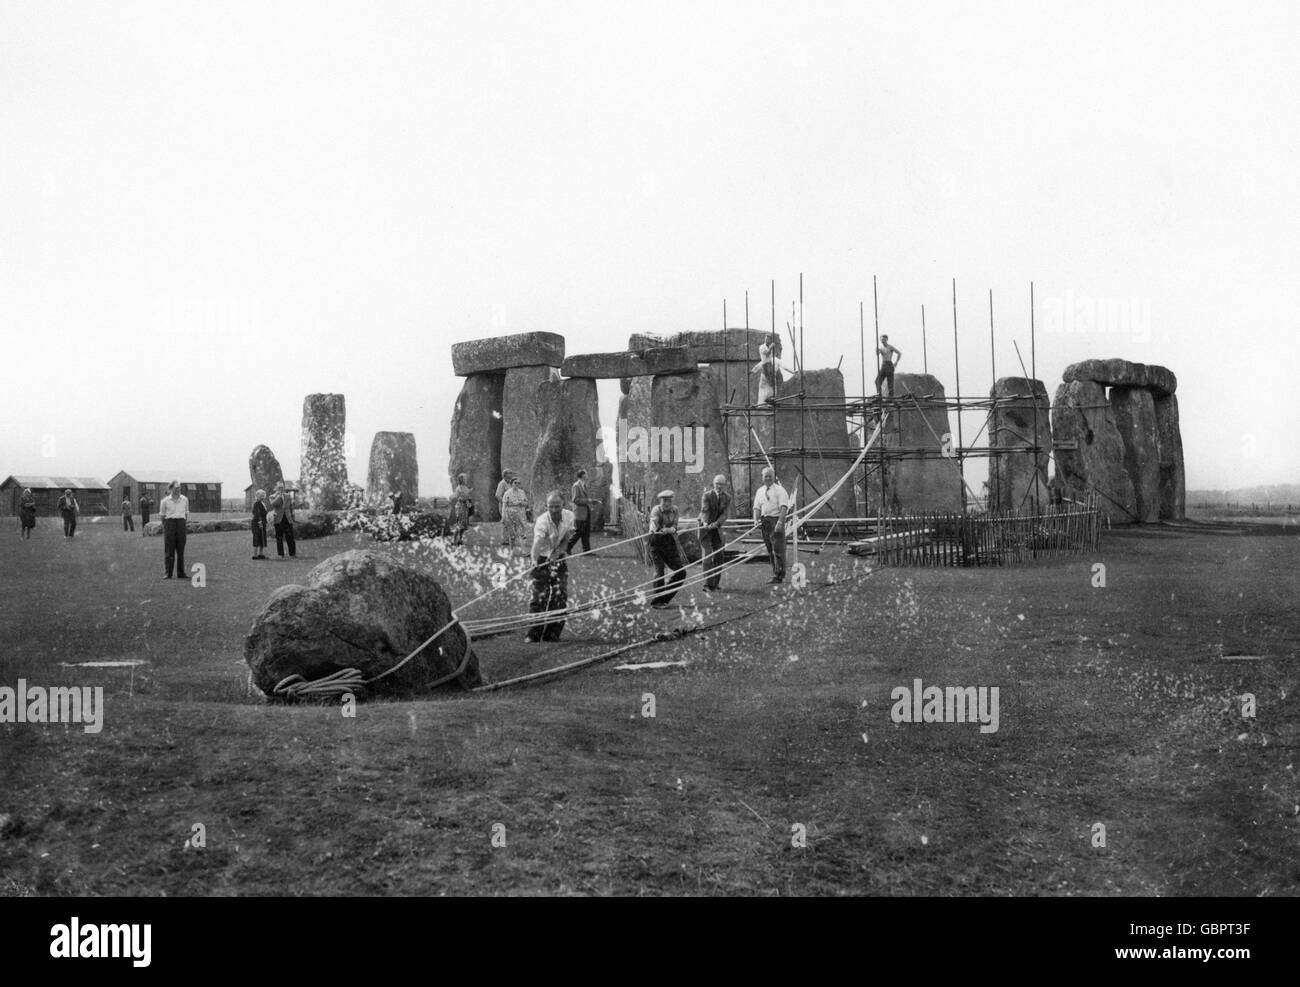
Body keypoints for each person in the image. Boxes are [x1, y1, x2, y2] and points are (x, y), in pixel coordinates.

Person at [526, 491, 574, 642]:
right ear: (546, 506)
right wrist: (534, 560)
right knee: (539, 596)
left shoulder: (569, 516)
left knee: (560, 595)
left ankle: (552, 634)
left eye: (557, 506)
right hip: (541, 558)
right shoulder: (542, 521)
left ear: (563, 505)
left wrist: (558, 553)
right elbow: (537, 543)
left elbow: (566, 539)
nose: (553, 510)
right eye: (550, 506)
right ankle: (533, 634)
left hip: (558, 558)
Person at [647, 489, 687, 608]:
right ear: (661, 501)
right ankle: (657, 601)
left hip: (669, 542)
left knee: (681, 572)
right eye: (664, 501)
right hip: (656, 542)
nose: (667, 504)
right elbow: (653, 522)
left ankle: (664, 598)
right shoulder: (656, 510)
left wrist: (670, 530)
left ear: (671, 501)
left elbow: (675, 525)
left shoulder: (675, 510)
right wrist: (653, 529)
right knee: (660, 572)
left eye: (669, 501)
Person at [752, 466, 791, 584]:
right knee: (769, 549)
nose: (768, 478)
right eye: (766, 476)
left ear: (774, 477)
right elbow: (756, 507)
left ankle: (780, 575)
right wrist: (756, 520)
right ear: (762, 478)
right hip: (765, 521)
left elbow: (784, 507)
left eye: (770, 476)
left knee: (778, 549)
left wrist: (780, 522)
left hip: (776, 520)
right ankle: (775, 573)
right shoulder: (760, 491)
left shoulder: (780, 490)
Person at [698, 474, 731, 591]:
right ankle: (707, 585)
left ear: (725, 485)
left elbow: (725, 514)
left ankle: (715, 584)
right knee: (707, 555)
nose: (719, 486)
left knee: (719, 556)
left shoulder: (727, 497)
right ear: (713, 484)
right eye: (717, 483)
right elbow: (705, 511)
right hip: (705, 529)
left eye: (721, 484)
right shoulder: (707, 495)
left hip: (716, 529)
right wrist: (706, 523)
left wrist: (716, 524)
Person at [566, 468, 601, 555]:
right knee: (579, 532)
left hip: (585, 512)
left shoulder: (584, 485)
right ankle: (567, 547)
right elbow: (575, 500)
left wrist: (592, 501)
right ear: (582, 476)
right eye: (586, 474)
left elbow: (585, 499)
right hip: (580, 513)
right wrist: (589, 500)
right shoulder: (576, 486)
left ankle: (586, 551)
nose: (587, 475)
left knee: (586, 532)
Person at [160, 480, 189, 579]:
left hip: (181, 524)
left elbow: (186, 513)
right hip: (170, 524)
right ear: (171, 489)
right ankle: (168, 573)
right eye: (176, 488)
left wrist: (182, 523)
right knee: (169, 550)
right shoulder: (164, 501)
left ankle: (181, 573)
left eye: (179, 488)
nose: (178, 490)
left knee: (181, 550)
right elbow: (163, 516)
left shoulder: (185, 499)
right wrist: (168, 526)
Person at [751, 335, 792, 405]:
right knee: (765, 387)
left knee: (771, 388)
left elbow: (784, 366)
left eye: (769, 339)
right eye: (767, 339)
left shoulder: (775, 359)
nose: (767, 340)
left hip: (770, 371)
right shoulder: (762, 347)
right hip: (766, 369)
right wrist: (753, 370)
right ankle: (761, 403)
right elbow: (765, 355)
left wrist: (792, 371)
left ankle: (767, 402)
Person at [501, 476, 531, 556]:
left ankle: (524, 551)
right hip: (510, 515)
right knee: (512, 535)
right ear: (511, 484)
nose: (517, 484)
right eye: (515, 483)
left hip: (521, 515)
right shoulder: (507, 493)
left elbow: (526, 503)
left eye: (518, 483)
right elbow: (504, 505)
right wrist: (503, 517)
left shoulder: (522, 492)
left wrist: (522, 503)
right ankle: (511, 551)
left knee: (522, 533)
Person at [270, 481, 296, 558]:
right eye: (279, 488)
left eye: (282, 487)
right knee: (279, 537)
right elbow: (273, 504)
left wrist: (292, 517)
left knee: (290, 537)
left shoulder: (288, 496)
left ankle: (292, 554)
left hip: (287, 518)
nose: (281, 489)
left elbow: (289, 506)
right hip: (278, 519)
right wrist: (279, 496)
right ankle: (281, 554)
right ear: (276, 488)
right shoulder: (272, 496)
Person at [449, 473, 474, 546]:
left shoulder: (465, 487)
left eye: (466, 478)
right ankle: (453, 540)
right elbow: (456, 496)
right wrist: (452, 497)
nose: (466, 479)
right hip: (460, 506)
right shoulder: (459, 488)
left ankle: (460, 539)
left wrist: (469, 494)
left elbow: (467, 495)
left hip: (465, 507)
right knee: (459, 524)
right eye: (464, 478)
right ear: (461, 480)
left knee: (464, 524)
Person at [495, 468, 516, 545]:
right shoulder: (502, 484)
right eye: (509, 474)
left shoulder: (510, 483)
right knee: (505, 522)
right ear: (505, 476)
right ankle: (504, 540)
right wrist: (505, 503)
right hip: (504, 506)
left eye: (511, 474)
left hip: (510, 506)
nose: (511, 475)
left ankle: (508, 538)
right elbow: (497, 495)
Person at [251, 488, 269, 560]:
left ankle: (261, 554)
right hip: (257, 523)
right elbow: (256, 513)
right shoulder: (256, 504)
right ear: (257, 496)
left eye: (263, 495)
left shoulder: (262, 503)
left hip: (262, 522)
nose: (262, 497)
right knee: (257, 537)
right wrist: (260, 521)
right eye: (261, 495)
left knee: (262, 537)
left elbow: (263, 513)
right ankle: (255, 555)